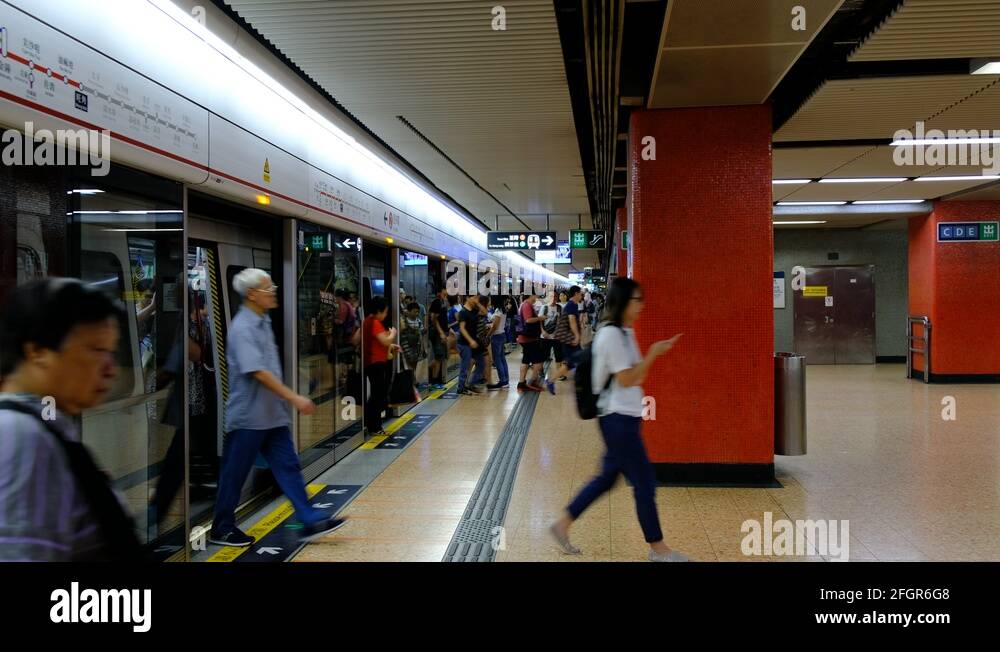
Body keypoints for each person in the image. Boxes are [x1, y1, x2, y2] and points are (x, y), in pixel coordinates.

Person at [0, 278, 145, 560]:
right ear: (38, 351)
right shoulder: (20, 436)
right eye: (96, 350)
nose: (111, 369)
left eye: (111, 352)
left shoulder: (46, 423)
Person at [549, 277, 687, 562]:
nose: (641, 305)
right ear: (622, 301)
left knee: (606, 479)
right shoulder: (611, 335)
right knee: (645, 483)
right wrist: (654, 353)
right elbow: (627, 378)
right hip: (616, 418)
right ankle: (658, 548)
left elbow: (635, 374)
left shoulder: (625, 332)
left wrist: (648, 358)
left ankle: (562, 524)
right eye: (637, 300)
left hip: (626, 416)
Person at [210, 269, 345, 547]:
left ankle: (308, 519)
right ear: (251, 294)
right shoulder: (243, 327)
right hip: (248, 416)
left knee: (289, 467)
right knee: (234, 473)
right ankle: (221, 527)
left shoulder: (262, 321)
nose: (273, 290)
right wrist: (293, 397)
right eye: (267, 287)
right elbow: (257, 371)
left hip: (271, 417)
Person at [362, 295, 400, 435]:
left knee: (376, 394)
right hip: (375, 363)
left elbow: (379, 341)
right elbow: (385, 341)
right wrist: (393, 334)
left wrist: (391, 344)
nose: (385, 315)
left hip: (372, 362)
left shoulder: (366, 321)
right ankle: (375, 426)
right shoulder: (375, 323)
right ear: (378, 311)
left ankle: (371, 423)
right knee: (378, 395)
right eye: (384, 312)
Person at [545, 285, 584, 394]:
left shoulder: (573, 305)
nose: (581, 295)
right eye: (580, 293)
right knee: (573, 361)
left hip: (568, 339)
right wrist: (576, 335)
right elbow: (571, 321)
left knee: (573, 362)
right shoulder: (571, 305)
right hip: (569, 339)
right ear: (576, 294)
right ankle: (551, 381)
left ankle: (551, 381)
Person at [515, 292, 545, 392]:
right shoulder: (527, 305)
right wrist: (540, 318)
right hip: (528, 338)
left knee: (526, 360)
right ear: (531, 295)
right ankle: (533, 381)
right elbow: (528, 320)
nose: (536, 297)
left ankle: (521, 383)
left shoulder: (523, 304)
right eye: (535, 295)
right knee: (539, 360)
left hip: (524, 337)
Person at [456, 294, 485, 395]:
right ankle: (461, 387)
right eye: (474, 297)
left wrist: (477, 302)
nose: (477, 300)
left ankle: (471, 383)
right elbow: (462, 328)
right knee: (465, 365)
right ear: (468, 298)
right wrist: (470, 341)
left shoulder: (474, 310)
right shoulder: (463, 312)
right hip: (464, 343)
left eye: (478, 298)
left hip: (474, 342)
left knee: (481, 363)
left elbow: (484, 312)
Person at [427, 287, 449, 388]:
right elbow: (434, 319)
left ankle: (435, 380)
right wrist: (441, 332)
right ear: (442, 290)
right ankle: (433, 381)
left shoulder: (443, 301)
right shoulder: (437, 302)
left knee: (441, 357)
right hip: (437, 333)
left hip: (443, 331)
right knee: (439, 356)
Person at [488, 294, 509, 388]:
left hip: (496, 336)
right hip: (502, 335)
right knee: (502, 359)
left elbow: (495, 326)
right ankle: (505, 379)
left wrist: (488, 335)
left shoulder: (498, 311)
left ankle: (503, 381)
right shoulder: (503, 310)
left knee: (497, 360)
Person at [400, 301, 425, 375]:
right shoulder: (403, 321)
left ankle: (413, 379)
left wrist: (422, 347)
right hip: (406, 346)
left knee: (415, 364)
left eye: (418, 312)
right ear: (409, 311)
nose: (416, 314)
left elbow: (421, 335)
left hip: (416, 346)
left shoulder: (419, 321)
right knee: (408, 365)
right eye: (414, 312)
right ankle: (411, 381)